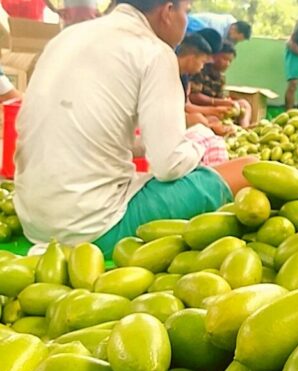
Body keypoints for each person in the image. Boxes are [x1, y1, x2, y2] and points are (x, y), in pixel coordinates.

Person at [14, 0, 255, 256]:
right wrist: (199, 140)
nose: (187, 21)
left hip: (34, 221)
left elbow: (92, 135)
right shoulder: (154, 52)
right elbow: (168, 165)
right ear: (168, 11)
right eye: (187, 11)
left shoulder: (67, 37)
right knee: (248, 167)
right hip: (92, 229)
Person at [177, 34, 233, 136]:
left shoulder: (185, 77)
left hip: (177, 118)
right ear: (192, 58)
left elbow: (186, 105)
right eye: (202, 62)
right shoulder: (168, 73)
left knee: (209, 119)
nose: (202, 67)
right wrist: (207, 125)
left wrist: (213, 111)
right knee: (198, 120)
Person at [189, 41, 252, 128]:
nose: (227, 64)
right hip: (202, 108)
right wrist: (217, 102)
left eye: (230, 61)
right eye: (225, 59)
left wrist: (228, 102)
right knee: (213, 119)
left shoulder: (221, 77)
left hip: (216, 106)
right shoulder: (200, 69)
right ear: (214, 56)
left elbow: (221, 97)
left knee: (244, 104)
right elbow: (194, 96)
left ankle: (245, 128)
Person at [186, 12, 251, 45]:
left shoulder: (232, 27)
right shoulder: (218, 27)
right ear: (234, 28)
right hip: (188, 25)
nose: (234, 42)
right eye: (235, 39)